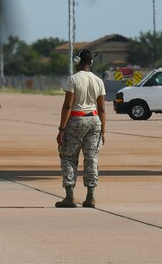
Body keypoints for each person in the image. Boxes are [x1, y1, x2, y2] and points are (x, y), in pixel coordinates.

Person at [56, 48, 106, 208]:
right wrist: (103, 131)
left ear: (77, 61)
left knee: (68, 157)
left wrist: (61, 129)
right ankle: (90, 197)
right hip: (94, 120)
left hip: (76, 119)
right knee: (91, 158)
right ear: (91, 63)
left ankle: (69, 196)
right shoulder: (98, 81)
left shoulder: (73, 79)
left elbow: (67, 106)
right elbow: (102, 109)